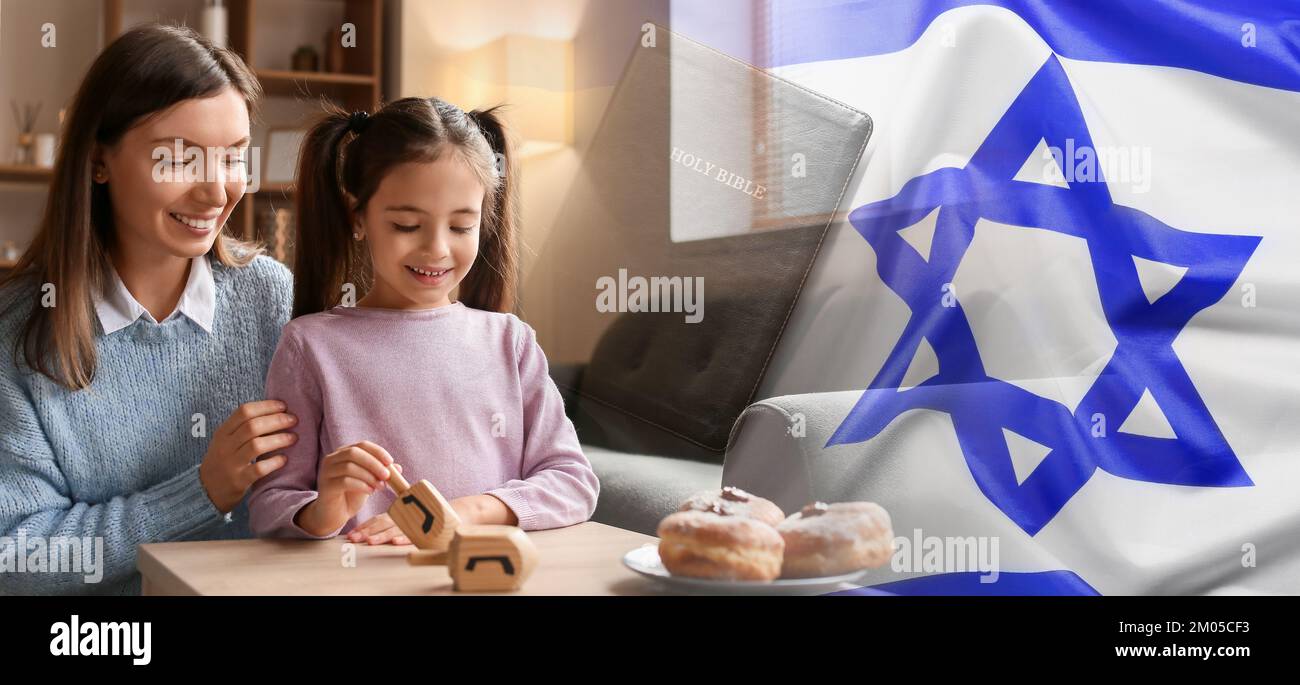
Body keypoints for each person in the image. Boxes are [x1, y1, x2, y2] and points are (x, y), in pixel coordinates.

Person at [0, 25, 296, 595]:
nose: (218, 192)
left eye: (233, 157)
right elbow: (17, 558)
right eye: (180, 159)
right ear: (98, 162)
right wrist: (200, 492)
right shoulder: (21, 332)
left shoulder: (271, 298)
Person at [248, 97, 599, 544]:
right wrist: (323, 510)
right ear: (358, 217)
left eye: (460, 227)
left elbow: (573, 481)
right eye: (407, 226)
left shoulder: (510, 342)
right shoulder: (310, 345)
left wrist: (462, 513)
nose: (436, 249)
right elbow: (268, 505)